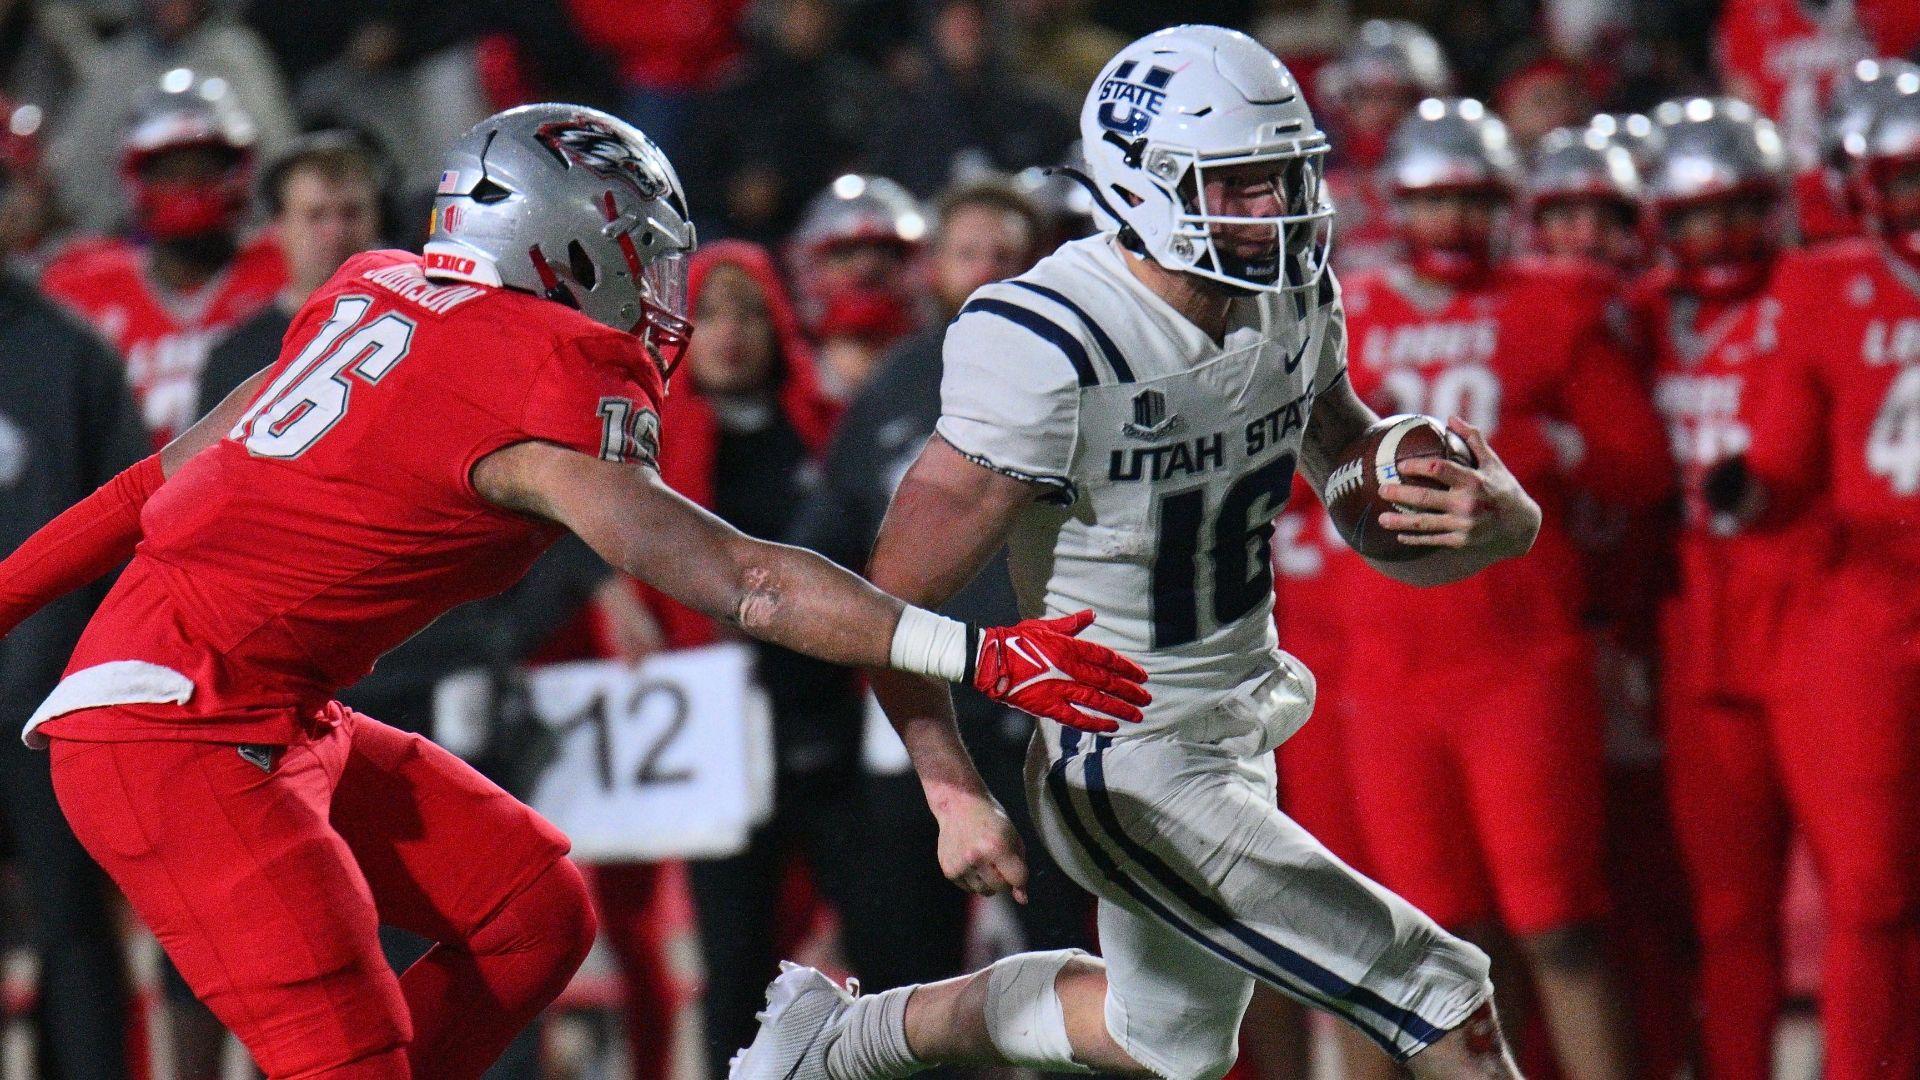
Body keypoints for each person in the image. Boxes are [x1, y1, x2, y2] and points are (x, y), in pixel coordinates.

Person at [0, 102, 1147, 1080]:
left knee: (529, 914)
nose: (655, 283)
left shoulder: (375, 286)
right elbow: (746, 580)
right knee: (345, 1052)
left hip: (267, 704)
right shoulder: (543, 367)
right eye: (639, 248)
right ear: (567, 247)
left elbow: (157, 479)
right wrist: (978, 653)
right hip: (181, 728)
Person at [733, 27, 1542, 1080]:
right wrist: (952, 789)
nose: (1276, 210)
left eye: (1286, 177)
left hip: (1239, 715)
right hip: (1122, 757)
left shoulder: (1290, 290)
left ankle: (839, 1040)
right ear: (1141, 183)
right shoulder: (1051, 343)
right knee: (1439, 989)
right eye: (1240, 184)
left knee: (1166, 1040)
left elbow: (1342, 457)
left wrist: (1500, 515)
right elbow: (893, 599)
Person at [1336, 98, 1668, 1080]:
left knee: (1560, 926)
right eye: (1434, 204)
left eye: (1473, 202)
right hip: (1389, 666)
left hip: (1518, 658)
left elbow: (1640, 466)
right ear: (1398, 204)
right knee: (1425, 943)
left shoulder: (1548, 303)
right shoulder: (1346, 313)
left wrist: (1531, 451)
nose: (1452, 226)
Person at [1698, 81, 1920, 1080]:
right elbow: (1784, 462)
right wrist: (1747, 489)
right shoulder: (1821, 283)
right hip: (1872, 608)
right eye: (1907, 177)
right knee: (1873, 888)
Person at [1623, 96, 1835, 1080]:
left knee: (1872, 892)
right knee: (1730, 911)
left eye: (1738, 208)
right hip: (1694, 628)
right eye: (1697, 215)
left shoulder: (1816, 292)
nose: (1718, 234)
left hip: (1817, 614)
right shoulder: (1639, 314)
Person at [0, 139, 146, 1080]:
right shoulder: (75, 350)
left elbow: (136, 526)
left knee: (76, 934)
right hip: (46, 690)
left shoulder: (74, 356)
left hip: (52, 708)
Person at [42, 70, 286, 448]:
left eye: (203, 170)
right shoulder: (80, 285)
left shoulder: (287, 267)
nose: (188, 187)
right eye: (172, 172)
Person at [198, 130, 387, 416]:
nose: (334, 233)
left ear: (377, 219)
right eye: (315, 215)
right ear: (278, 228)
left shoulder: (426, 323)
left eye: (351, 214)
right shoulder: (235, 358)